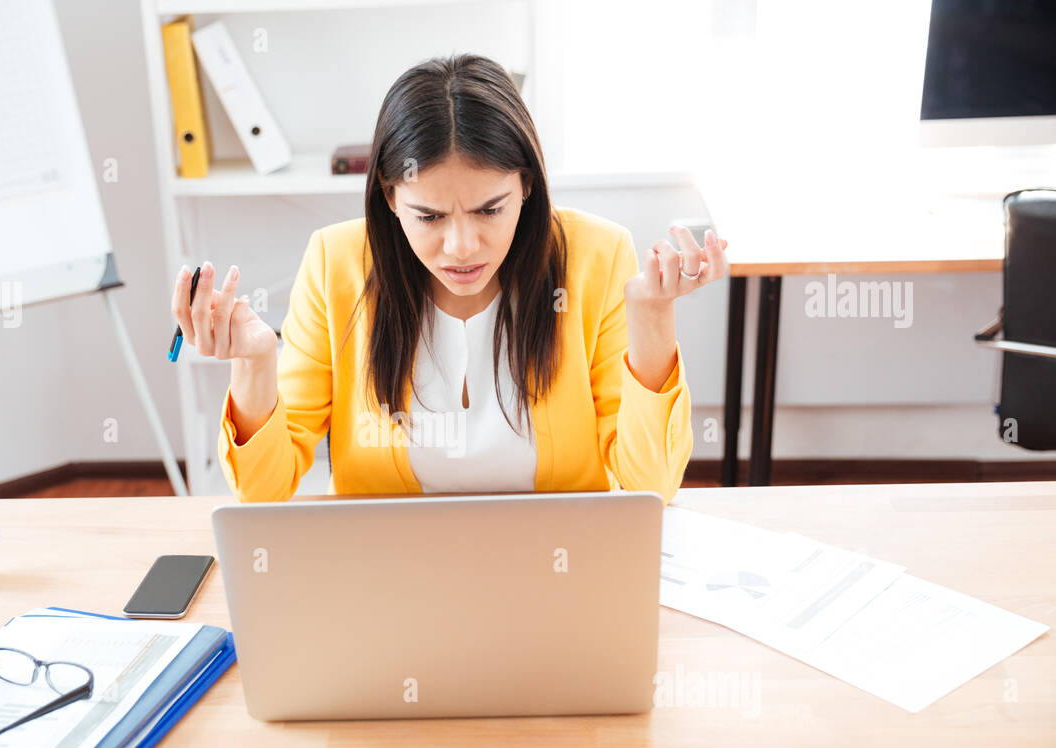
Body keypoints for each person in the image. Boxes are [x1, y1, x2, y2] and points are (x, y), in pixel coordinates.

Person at [169, 53, 727, 503]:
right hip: (393, 578)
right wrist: (256, 363)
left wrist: (653, 322)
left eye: (490, 209)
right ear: (390, 197)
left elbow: (648, 486)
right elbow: (261, 492)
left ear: (527, 186)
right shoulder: (335, 263)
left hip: (555, 569)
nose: (461, 246)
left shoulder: (597, 255)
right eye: (429, 216)